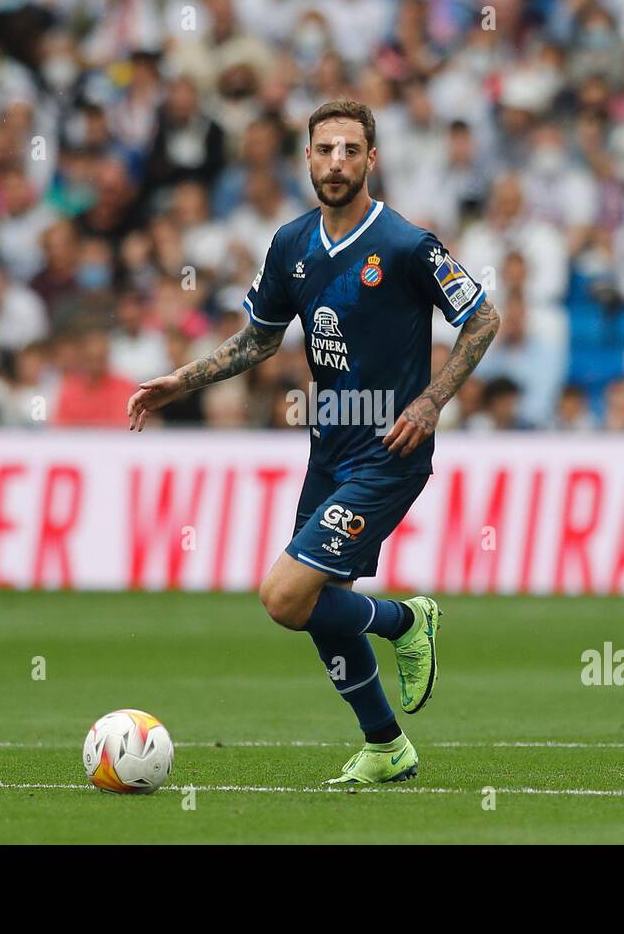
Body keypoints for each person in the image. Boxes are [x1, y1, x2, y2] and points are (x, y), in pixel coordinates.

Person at [126, 100, 499, 784]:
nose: (336, 162)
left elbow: (481, 319)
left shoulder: (410, 246)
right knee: (320, 611)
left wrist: (431, 400)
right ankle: (387, 745)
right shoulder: (291, 245)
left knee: (284, 596)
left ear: (371, 160)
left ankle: (404, 621)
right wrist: (185, 380)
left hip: (390, 451)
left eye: (350, 150)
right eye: (324, 149)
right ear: (307, 158)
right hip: (327, 452)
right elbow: (261, 338)